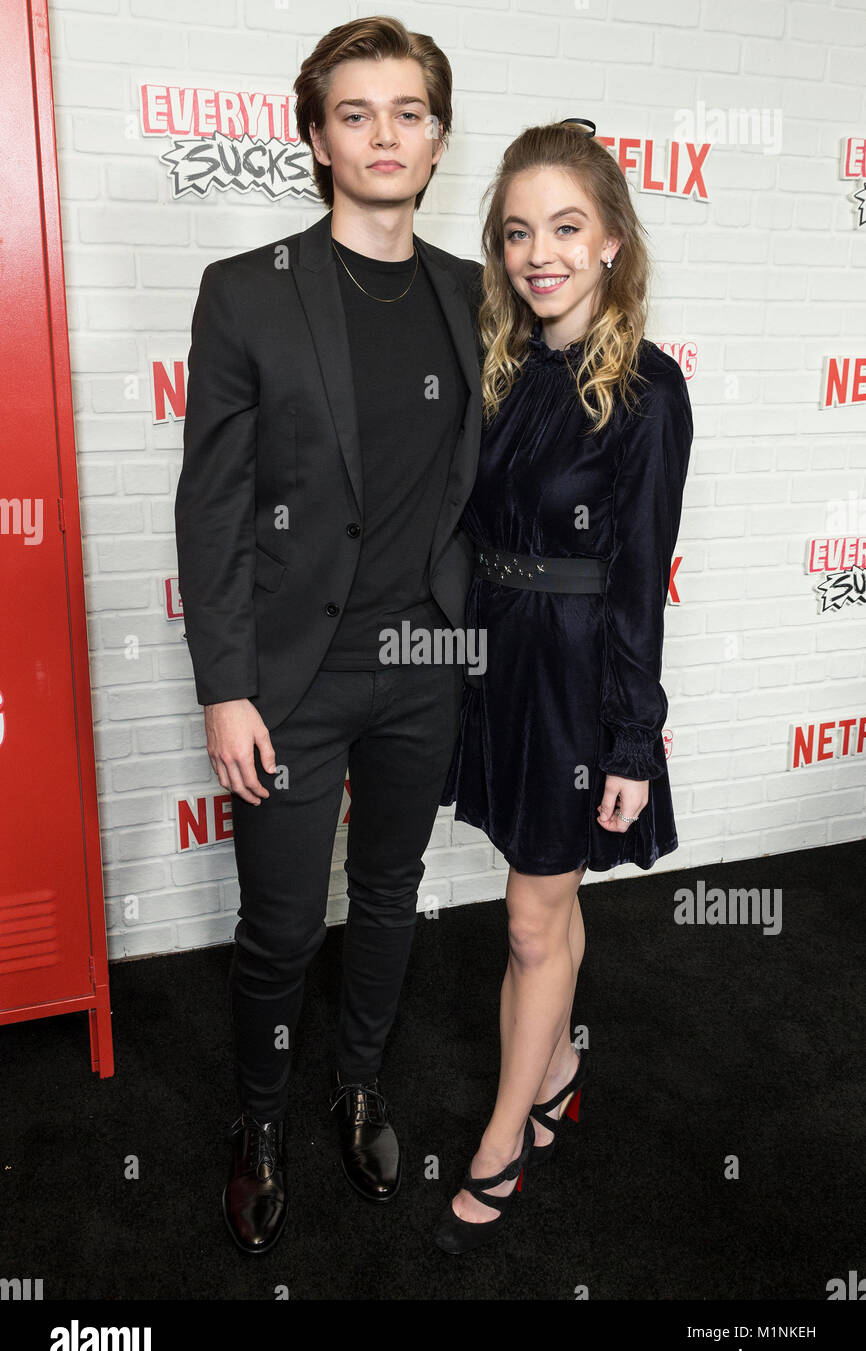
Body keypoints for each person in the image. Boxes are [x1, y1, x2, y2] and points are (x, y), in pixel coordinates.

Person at [174, 15, 483, 1254]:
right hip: (290, 683)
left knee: (393, 893)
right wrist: (224, 686)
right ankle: (258, 1122)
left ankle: (358, 1086)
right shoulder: (247, 292)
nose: (384, 134)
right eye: (355, 113)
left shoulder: (475, 294)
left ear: (438, 135)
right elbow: (214, 505)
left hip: (427, 667)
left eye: (407, 111)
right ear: (316, 137)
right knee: (281, 926)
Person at [434, 119, 694, 1253]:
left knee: (530, 921)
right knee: (546, 898)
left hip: (575, 682)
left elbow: (637, 578)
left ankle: (502, 1141)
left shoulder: (645, 388)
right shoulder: (503, 365)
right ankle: (561, 1069)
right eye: (515, 231)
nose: (537, 250)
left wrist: (632, 740)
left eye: (564, 226)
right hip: (497, 659)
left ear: (611, 241)